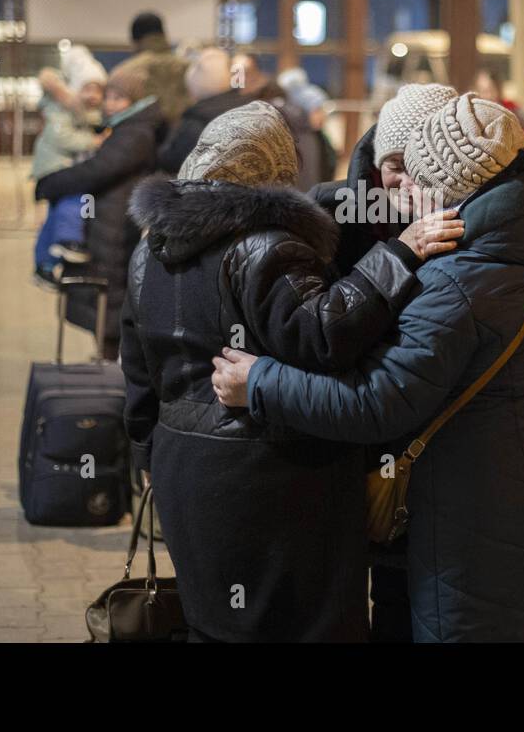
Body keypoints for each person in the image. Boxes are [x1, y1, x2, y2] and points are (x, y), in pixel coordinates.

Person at [213, 95, 524, 642]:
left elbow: (377, 399)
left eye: (410, 171)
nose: (396, 184)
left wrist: (259, 382)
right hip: (518, 488)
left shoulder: (460, 271)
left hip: (462, 504)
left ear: (450, 179)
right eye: (387, 167)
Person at [122, 100, 463, 642]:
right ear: (274, 169)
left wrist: (144, 453)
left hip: (181, 467)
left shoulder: (149, 250)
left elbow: (138, 368)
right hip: (270, 477)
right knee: (303, 626)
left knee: (216, 624)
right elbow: (323, 335)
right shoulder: (265, 246)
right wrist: (397, 254)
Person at [35, 54, 163, 360]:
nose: (108, 103)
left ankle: (109, 366)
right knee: (103, 297)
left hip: (115, 228)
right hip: (107, 224)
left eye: (118, 97)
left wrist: (50, 183)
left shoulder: (136, 132)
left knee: (110, 299)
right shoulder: (126, 127)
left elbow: (98, 170)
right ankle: (105, 360)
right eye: (109, 95)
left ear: (136, 100)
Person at [31, 46, 106, 286]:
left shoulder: (85, 113)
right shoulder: (62, 109)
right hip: (54, 167)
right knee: (75, 195)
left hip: (59, 167)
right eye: (88, 88)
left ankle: (44, 264)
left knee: (54, 215)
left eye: (99, 89)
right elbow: (60, 137)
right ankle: (70, 240)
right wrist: (94, 141)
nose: (93, 95)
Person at [154, 47, 252, 175]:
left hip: (205, 192)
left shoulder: (196, 120)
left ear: (195, 87)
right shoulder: (252, 108)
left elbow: (171, 161)